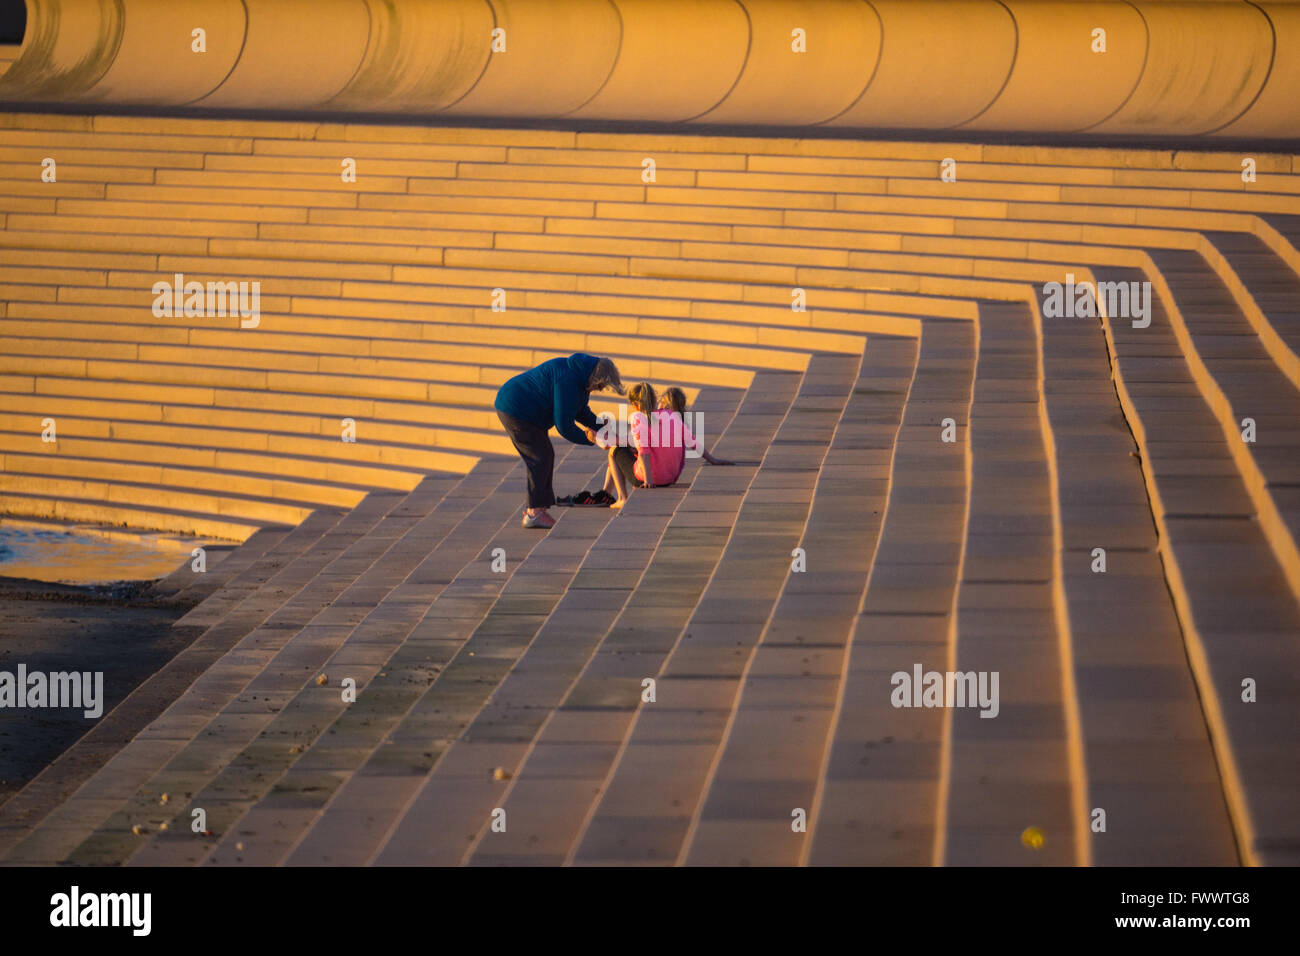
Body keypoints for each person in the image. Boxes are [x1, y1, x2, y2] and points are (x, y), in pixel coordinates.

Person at [494, 353, 624, 528]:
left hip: (525, 410)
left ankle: (537, 509)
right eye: (600, 385)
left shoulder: (579, 379)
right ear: (595, 378)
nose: (599, 389)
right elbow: (564, 426)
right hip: (516, 409)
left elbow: (580, 411)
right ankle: (534, 513)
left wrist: (603, 429)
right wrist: (592, 440)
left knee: (544, 456)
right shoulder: (568, 381)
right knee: (539, 458)